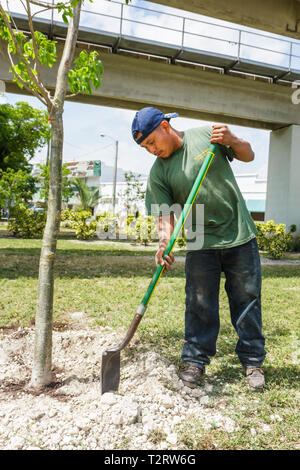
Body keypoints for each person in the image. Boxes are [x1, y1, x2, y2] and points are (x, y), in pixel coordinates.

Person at [131, 107, 266, 391]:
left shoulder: (208, 136)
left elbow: (248, 154)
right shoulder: (159, 172)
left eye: (152, 142)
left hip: (239, 234)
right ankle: (195, 361)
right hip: (200, 242)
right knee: (199, 303)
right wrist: (163, 243)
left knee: (247, 300)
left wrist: (232, 139)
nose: (151, 150)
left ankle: (253, 362)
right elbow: (164, 216)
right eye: (145, 147)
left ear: (165, 126)